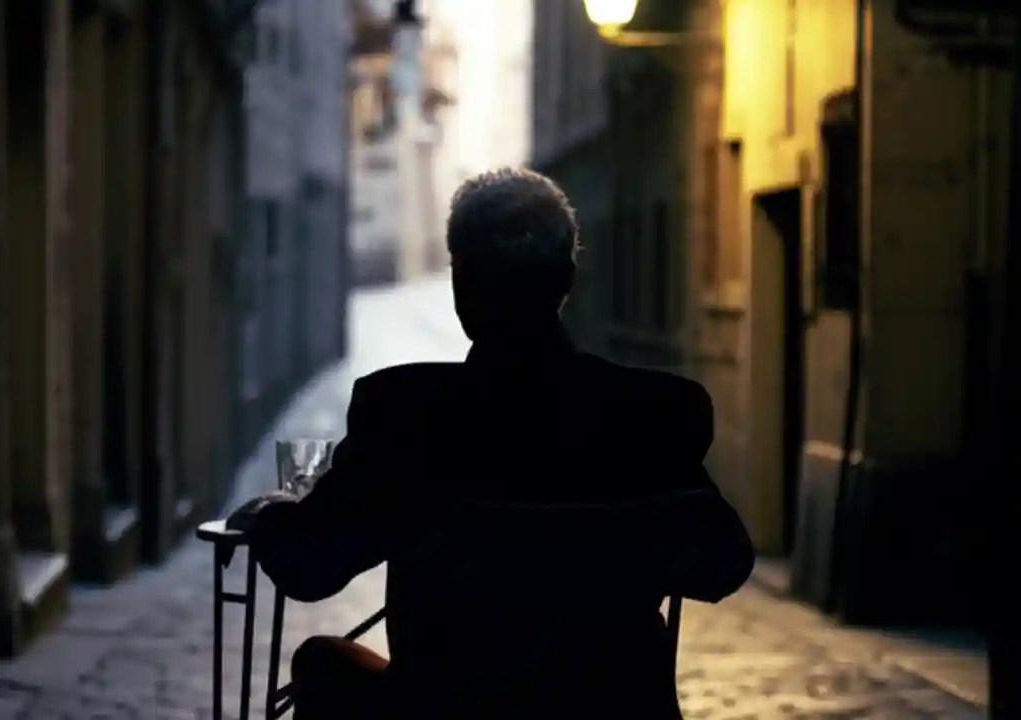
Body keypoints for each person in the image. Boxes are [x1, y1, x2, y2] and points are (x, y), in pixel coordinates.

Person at [228, 168, 755, 718]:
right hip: (610, 710)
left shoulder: (405, 412)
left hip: (448, 710)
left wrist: (274, 515)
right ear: (568, 278)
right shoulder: (652, 411)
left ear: (462, 282)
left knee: (322, 662)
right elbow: (722, 564)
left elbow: (309, 570)